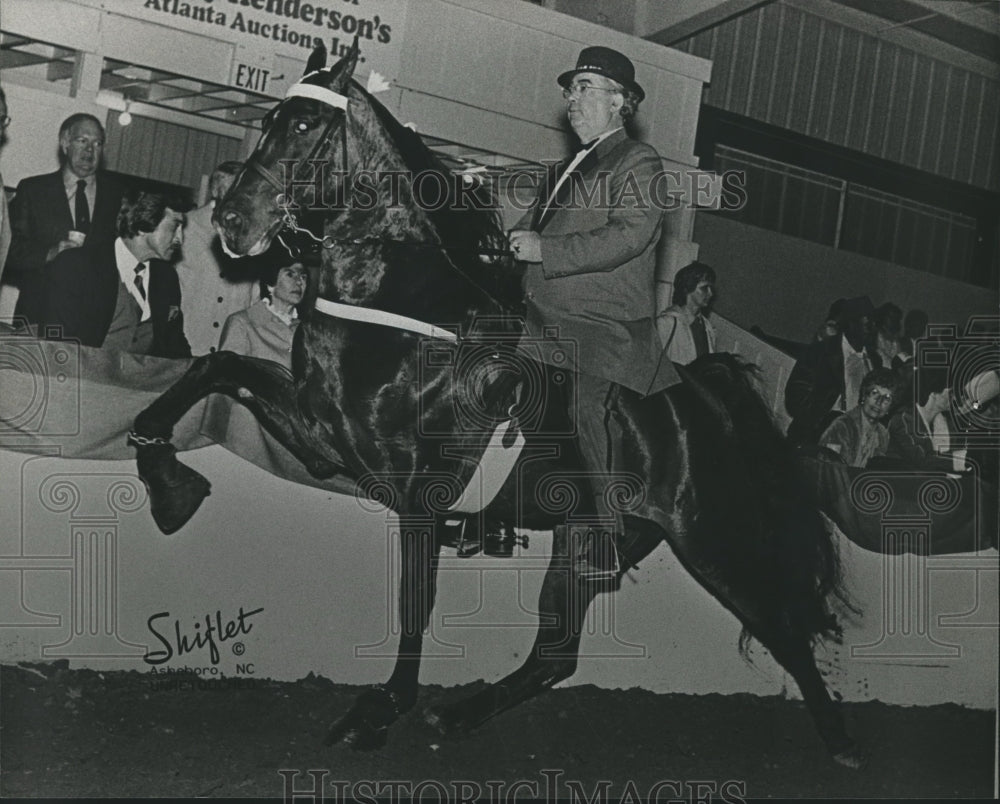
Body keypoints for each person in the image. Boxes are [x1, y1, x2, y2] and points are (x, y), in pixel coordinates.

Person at [507, 46, 677, 579]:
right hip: (541, 317)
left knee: (585, 409)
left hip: (603, 324)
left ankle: (604, 541)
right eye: (571, 88)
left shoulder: (638, 162)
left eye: (584, 87)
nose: (572, 98)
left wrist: (545, 251)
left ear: (620, 103)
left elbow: (630, 234)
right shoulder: (562, 168)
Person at [25, 189, 190, 357]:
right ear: (142, 225)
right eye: (175, 226)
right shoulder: (76, 266)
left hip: (140, 381)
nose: (180, 239)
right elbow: (57, 346)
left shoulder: (166, 278)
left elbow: (175, 347)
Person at [6, 113, 125, 306]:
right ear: (65, 143)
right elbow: (8, 250)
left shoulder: (117, 196)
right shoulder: (34, 190)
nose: (89, 150)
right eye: (82, 140)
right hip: (39, 309)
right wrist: (49, 253)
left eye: (97, 144)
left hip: (93, 316)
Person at [175, 161, 260, 356]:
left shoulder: (255, 239)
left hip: (230, 353)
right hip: (186, 348)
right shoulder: (185, 226)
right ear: (214, 190)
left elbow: (254, 298)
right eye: (230, 191)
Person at [785, 295, 875, 447]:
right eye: (867, 325)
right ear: (851, 324)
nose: (873, 329)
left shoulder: (873, 360)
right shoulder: (820, 352)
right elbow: (795, 400)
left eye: (874, 324)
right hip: (815, 440)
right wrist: (827, 423)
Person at [218, 259, 307, 367]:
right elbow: (227, 376)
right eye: (290, 275)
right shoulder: (242, 323)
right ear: (270, 284)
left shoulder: (307, 329)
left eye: (303, 277)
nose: (299, 282)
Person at [818, 367, 896, 468]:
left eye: (886, 399)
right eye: (874, 393)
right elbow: (830, 472)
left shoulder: (883, 434)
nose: (879, 402)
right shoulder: (842, 427)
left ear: (890, 407)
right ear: (864, 395)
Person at [886, 364, 955, 469]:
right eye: (950, 393)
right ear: (933, 393)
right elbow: (923, 460)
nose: (954, 398)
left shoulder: (941, 422)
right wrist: (964, 460)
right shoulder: (903, 420)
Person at [657, 261, 717, 365]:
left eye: (711, 288)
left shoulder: (707, 327)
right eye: (704, 288)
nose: (710, 293)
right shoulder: (666, 324)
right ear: (688, 288)